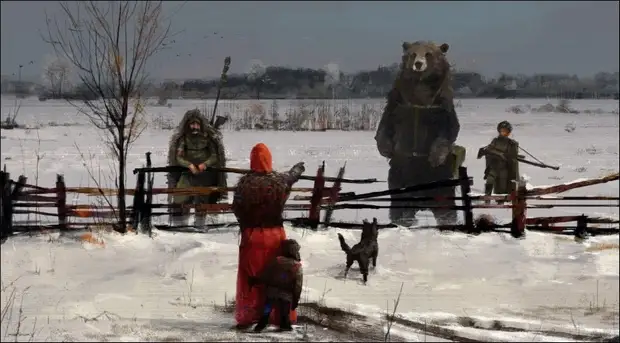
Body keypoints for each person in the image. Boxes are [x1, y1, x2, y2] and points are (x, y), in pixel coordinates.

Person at [232, 142, 305, 329]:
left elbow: (236, 208)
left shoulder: (244, 185)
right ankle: (281, 316)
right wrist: (296, 171)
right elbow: (289, 179)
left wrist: (246, 225)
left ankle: (249, 315)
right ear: (269, 160)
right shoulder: (278, 182)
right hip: (275, 235)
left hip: (252, 235)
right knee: (280, 275)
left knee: (251, 276)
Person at [167, 109, 227, 228]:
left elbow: (214, 156)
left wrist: (205, 164)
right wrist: (189, 165)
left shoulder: (207, 138)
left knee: (202, 199)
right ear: (188, 125)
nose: (195, 127)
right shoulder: (184, 139)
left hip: (204, 175)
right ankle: (179, 225)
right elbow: (179, 157)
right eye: (192, 124)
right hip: (187, 174)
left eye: (197, 124)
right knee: (180, 196)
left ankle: (200, 225)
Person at [250, 239, 303, 332]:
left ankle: (260, 326)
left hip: (271, 291)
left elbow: (266, 275)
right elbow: (298, 286)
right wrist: (295, 301)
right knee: (284, 314)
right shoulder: (297, 266)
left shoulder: (276, 260)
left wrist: (255, 281)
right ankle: (285, 327)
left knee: (266, 311)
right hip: (286, 295)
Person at [477, 121, 522, 203]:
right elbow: (488, 149)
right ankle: (487, 200)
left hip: (504, 168)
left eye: (506, 131)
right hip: (494, 166)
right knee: (489, 181)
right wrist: (498, 154)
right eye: (502, 131)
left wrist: (509, 156)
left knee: (501, 188)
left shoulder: (511, 143)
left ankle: (500, 203)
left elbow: (513, 156)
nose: (504, 133)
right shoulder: (495, 141)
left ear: (508, 132)